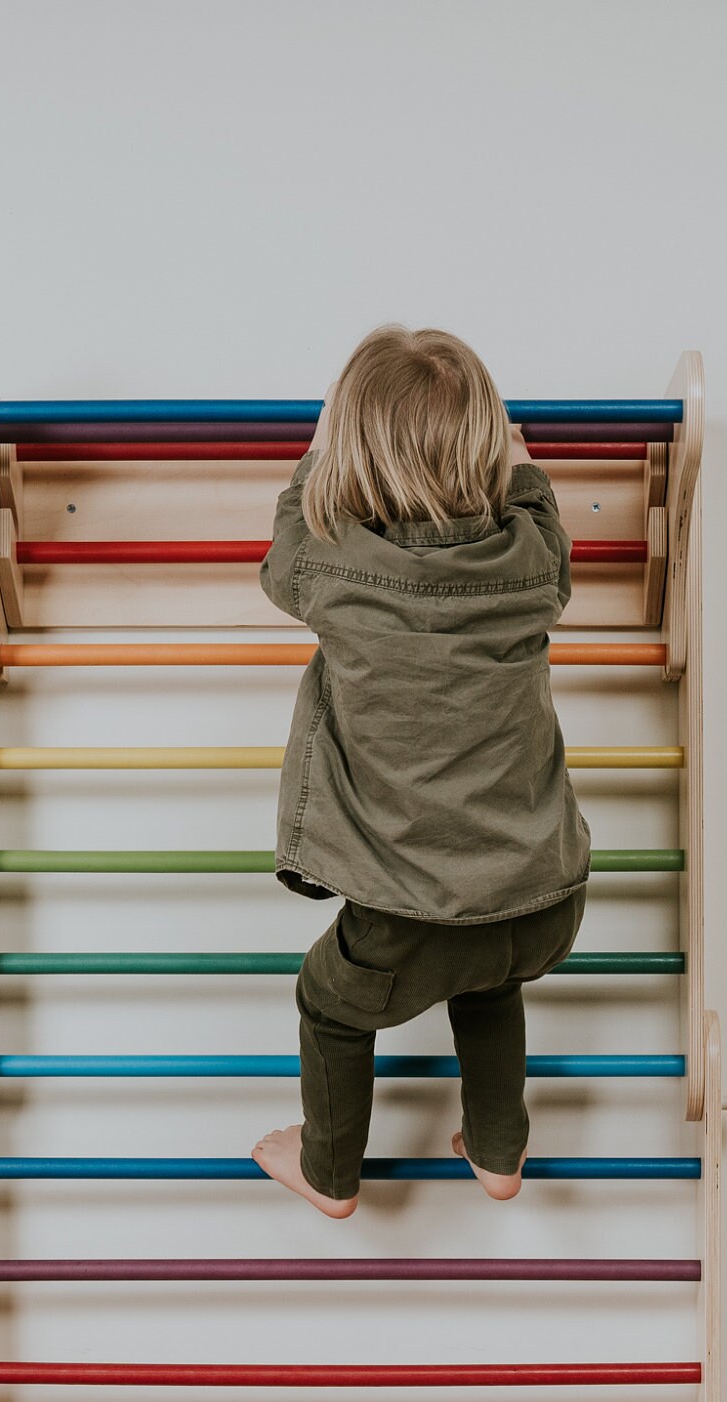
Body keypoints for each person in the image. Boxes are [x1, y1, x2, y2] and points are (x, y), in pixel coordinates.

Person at [250, 325, 589, 1219]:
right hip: (542, 901)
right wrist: (521, 467)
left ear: (349, 455)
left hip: (409, 920)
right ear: (488, 448)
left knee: (329, 1003)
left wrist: (313, 458)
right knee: (489, 983)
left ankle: (329, 1172)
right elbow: (543, 516)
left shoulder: (329, 563)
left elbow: (283, 552)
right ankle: (499, 1150)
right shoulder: (531, 562)